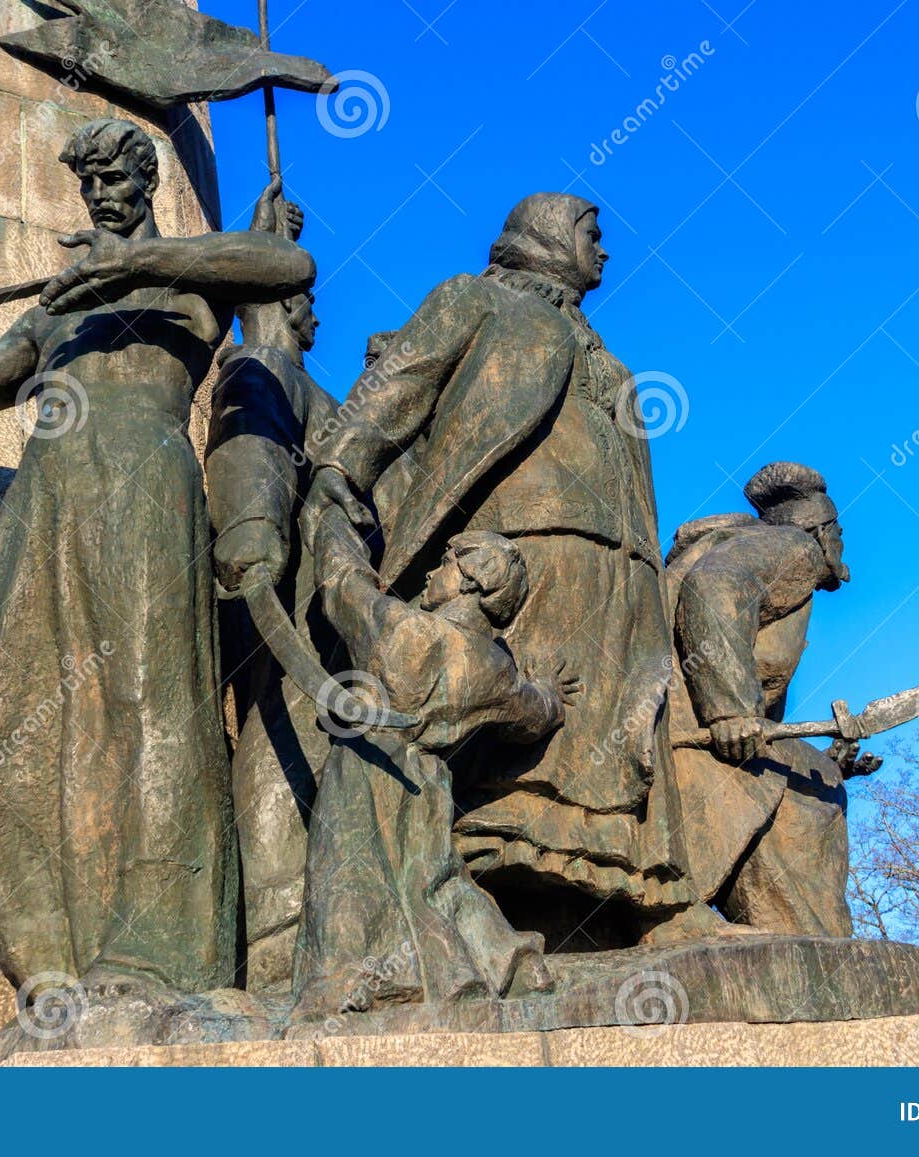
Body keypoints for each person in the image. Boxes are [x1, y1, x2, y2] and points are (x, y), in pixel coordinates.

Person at [0, 118, 316, 999]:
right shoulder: (56, 308)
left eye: (114, 181)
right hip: (42, 500)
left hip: (143, 482)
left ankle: (162, 956)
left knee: (152, 709)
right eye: (89, 186)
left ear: (146, 181)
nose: (101, 197)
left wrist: (141, 263)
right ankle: (44, 963)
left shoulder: (189, 280)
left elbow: (287, 267)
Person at [300, 193, 702, 946]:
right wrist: (338, 469)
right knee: (529, 752)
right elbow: (397, 384)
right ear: (549, 234)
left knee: (617, 738)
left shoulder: (602, 348)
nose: (605, 251)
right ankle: (502, 898)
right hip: (524, 548)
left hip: (619, 567)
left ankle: (618, 903)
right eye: (592, 234)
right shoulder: (477, 299)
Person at [291, 508, 576, 1017]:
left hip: (365, 767)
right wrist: (552, 695)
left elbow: (341, 582)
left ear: (470, 581)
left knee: (351, 880)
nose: (429, 573)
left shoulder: (402, 628)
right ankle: (497, 965)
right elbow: (534, 714)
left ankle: (359, 981)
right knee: (429, 881)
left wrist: (330, 514)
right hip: (427, 784)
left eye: (444, 563)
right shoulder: (495, 667)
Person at [201, 180, 341, 990]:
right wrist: (255, 545)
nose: (318, 316)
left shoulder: (296, 379)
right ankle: (275, 949)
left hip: (318, 619)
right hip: (289, 619)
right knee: (279, 760)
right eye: (308, 300)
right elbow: (251, 491)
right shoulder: (261, 368)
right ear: (288, 305)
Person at [667, 462, 878, 937]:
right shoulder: (795, 548)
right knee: (819, 795)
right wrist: (731, 711)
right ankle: (815, 948)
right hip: (692, 733)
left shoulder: (752, 546)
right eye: (840, 532)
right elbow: (714, 586)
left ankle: (809, 943)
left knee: (821, 774)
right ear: (822, 530)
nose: (841, 544)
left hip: (705, 728)